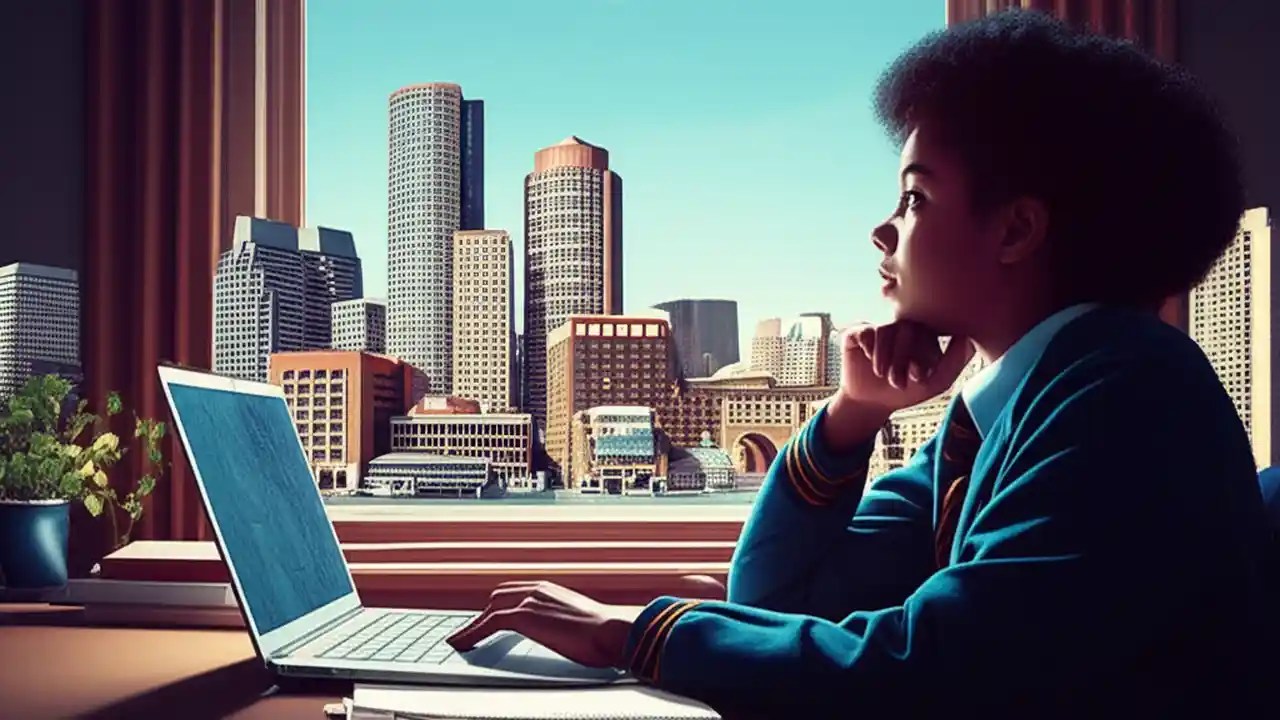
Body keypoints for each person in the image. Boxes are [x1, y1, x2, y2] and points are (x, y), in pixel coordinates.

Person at [448, 10, 1278, 717]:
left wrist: (633, 632)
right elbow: (774, 594)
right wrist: (852, 416)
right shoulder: (1005, 410)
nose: (882, 231)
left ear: (1017, 230)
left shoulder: (1123, 399)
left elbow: (928, 673)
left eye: (914, 198)